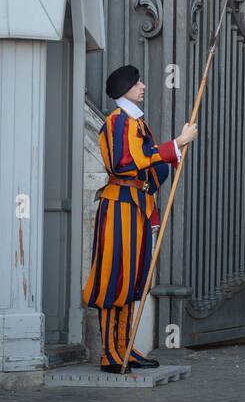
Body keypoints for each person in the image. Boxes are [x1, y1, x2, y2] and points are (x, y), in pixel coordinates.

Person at [84, 65, 198, 373]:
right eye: (138, 83)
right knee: (114, 278)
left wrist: (172, 156)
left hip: (135, 207)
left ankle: (124, 347)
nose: (144, 86)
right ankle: (110, 352)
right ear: (126, 89)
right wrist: (176, 143)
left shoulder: (133, 121)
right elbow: (127, 164)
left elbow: (147, 165)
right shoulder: (118, 122)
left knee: (132, 278)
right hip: (119, 206)